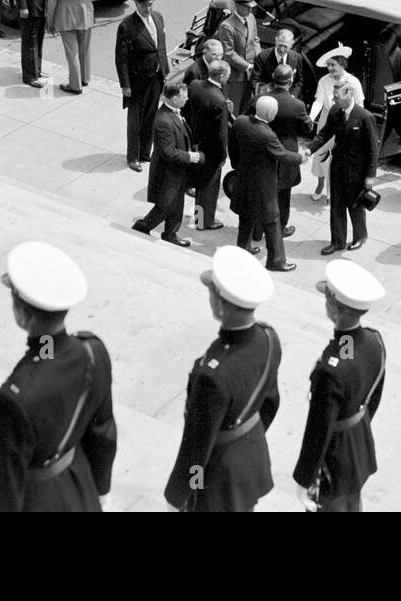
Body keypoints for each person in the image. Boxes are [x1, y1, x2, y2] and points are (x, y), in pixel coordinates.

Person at [0, 242, 117, 513]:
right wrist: (101, 492)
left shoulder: (12, 398)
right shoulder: (93, 352)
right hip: (80, 485)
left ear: (21, 312)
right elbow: (103, 433)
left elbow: (3, 491)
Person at [163, 247, 281, 512]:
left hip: (219, 474)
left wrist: (179, 495)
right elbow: (270, 403)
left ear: (218, 302)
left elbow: (197, 446)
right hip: (251, 455)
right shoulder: (269, 338)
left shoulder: (212, 375)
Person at [292, 260, 387, 512]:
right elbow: (373, 397)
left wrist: (304, 477)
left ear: (335, 307)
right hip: (358, 441)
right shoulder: (374, 340)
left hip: (334, 457)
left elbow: (318, 428)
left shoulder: (330, 370)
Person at [230, 95, 306, 272]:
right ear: (271, 114)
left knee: (246, 217)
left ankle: (243, 249)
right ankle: (276, 260)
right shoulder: (267, 135)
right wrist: (301, 158)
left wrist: (236, 165)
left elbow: (233, 147)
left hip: (244, 178)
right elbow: (284, 155)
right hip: (263, 185)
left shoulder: (240, 122)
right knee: (272, 221)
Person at [307, 80, 378, 256]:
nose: (334, 98)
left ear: (349, 94)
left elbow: (372, 149)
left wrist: (370, 175)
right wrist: (310, 149)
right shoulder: (334, 111)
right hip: (338, 166)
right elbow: (324, 134)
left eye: (337, 96)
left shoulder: (364, 117)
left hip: (357, 171)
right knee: (336, 205)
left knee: (355, 205)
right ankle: (337, 241)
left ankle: (360, 236)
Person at [132, 80, 202, 247]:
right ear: (175, 99)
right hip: (168, 172)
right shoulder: (164, 120)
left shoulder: (175, 112)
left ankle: (170, 232)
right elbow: (168, 152)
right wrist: (189, 157)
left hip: (178, 170)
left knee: (176, 204)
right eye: (184, 97)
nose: (187, 99)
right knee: (165, 205)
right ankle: (145, 226)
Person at [115, 0, 167, 172]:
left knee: (151, 117)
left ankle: (146, 151)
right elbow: (121, 58)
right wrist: (125, 85)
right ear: (137, 4)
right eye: (144, 5)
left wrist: (165, 71)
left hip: (156, 77)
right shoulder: (127, 26)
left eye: (150, 4)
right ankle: (133, 156)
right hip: (137, 81)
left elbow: (161, 47)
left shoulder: (158, 18)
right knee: (136, 120)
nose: (148, 8)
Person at [307, 47, 365, 201]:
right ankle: (320, 184)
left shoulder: (353, 81)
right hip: (327, 119)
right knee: (320, 153)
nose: (330, 68)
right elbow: (319, 101)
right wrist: (311, 117)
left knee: (339, 157)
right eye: (328, 65)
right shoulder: (323, 80)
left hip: (346, 122)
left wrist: (358, 126)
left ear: (342, 64)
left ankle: (335, 190)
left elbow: (360, 105)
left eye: (333, 65)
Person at [185, 57, 230, 231]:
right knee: (208, 188)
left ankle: (199, 217)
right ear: (222, 76)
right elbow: (221, 134)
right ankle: (204, 221)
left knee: (199, 184)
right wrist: (222, 155)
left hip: (195, 140)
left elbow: (187, 111)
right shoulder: (219, 100)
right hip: (211, 149)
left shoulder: (195, 85)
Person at [266, 64, 311, 239]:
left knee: (265, 190)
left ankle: (259, 227)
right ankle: (280, 227)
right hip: (287, 148)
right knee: (283, 193)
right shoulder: (297, 105)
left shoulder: (262, 99)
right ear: (290, 81)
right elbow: (307, 128)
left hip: (265, 148)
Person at [217, 0, 259, 115]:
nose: (250, 10)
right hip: (236, 77)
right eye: (247, 7)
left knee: (247, 108)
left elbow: (255, 40)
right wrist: (247, 67)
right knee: (233, 111)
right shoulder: (227, 26)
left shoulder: (251, 18)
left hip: (251, 75)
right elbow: (229, 53)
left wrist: (258, 58)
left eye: (251, 7)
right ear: (238, 6)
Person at [252, 28, 312, 103]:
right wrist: (264, 97)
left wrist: (293, 96)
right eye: (280, 45)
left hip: (288, 100)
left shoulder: (297, 58)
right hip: (267, 100)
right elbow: (255, 80)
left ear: (292, 44)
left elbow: (299, 80)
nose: (282, 49)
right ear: (276, 40)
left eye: (285, 46)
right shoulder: (263, 57)